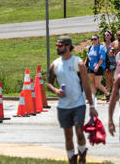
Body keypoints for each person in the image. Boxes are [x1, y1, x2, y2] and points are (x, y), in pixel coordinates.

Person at [46, 36, 97, 164]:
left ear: (68, 46)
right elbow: (48, 83)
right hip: (63, 106)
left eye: (60, 46)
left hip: (78, 104)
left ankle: (82, 155)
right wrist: (56, 90)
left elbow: (86, 86)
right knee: (68, 135)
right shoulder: (55, 64)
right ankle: (71, 159)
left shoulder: (78, 63)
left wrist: (91, 106)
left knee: (79, 131)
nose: (57, 48)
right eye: (57, 46)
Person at [87, 34, 109, 100]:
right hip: (91, 67)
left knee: (97, 83)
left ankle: (107, 94)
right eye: (92, 39)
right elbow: (88, 57)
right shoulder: (90, 47)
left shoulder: (101, 47)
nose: (94, 40)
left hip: (99, 66)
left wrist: (97, 66)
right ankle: (92, 98)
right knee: (92, 82)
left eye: (95, 39)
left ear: (98, 39)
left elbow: (102, 58)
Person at [103, 30, 116, 100]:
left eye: (108, 35)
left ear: (111, 36)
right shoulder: (104, 44)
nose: (106, 36)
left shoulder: (113, 43)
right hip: (106, 63)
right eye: (105, 35)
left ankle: (112, 93)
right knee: (107, 79)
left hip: (112, 62)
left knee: (110, 78)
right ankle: (108, 93)